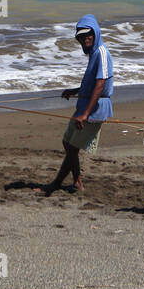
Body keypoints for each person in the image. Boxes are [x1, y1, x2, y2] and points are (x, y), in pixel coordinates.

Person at [39, 15, 113, 195]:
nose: (85, 38)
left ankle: (58, 183)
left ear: (95, 33)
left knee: (72, 147)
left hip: (94, 109)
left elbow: (101, 84)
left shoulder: (102, 52)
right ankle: (76, 181)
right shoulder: (94, 54)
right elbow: (92, 83)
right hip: (85, 106)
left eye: (88, 34)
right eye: (81, 36)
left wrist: (86, 114)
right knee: (67, 142)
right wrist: (74, 91)